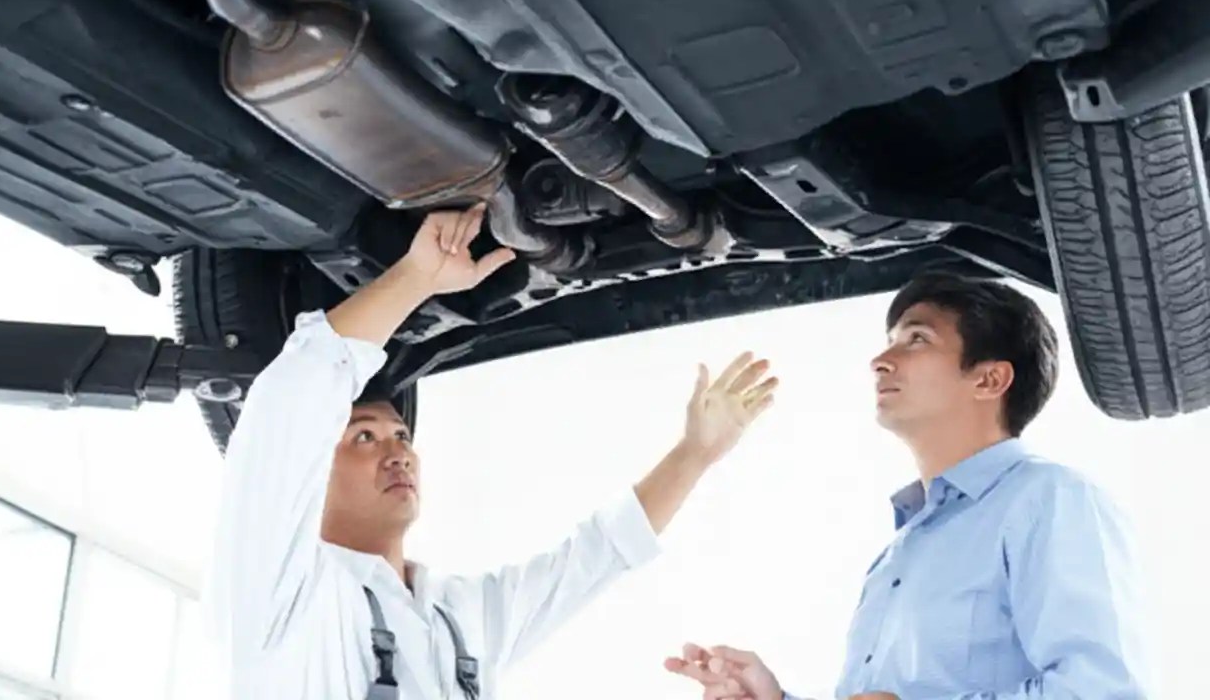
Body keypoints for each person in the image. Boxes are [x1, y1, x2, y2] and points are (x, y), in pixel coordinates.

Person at [203, 202, 779, 700]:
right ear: (312, 474)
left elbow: (596, 556)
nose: (399, 453)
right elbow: (289, 401)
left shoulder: (455, 619)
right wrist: (415, 278)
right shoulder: (285, 592)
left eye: (401, 436)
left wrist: (696, 454)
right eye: (363, 437)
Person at [664, 272, 1153, 699]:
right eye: (890, 339)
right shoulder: (897, 556)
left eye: (916, 339)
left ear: (989, 380)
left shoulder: (1048, 499)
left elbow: (1104, 690)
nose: (881, 359)